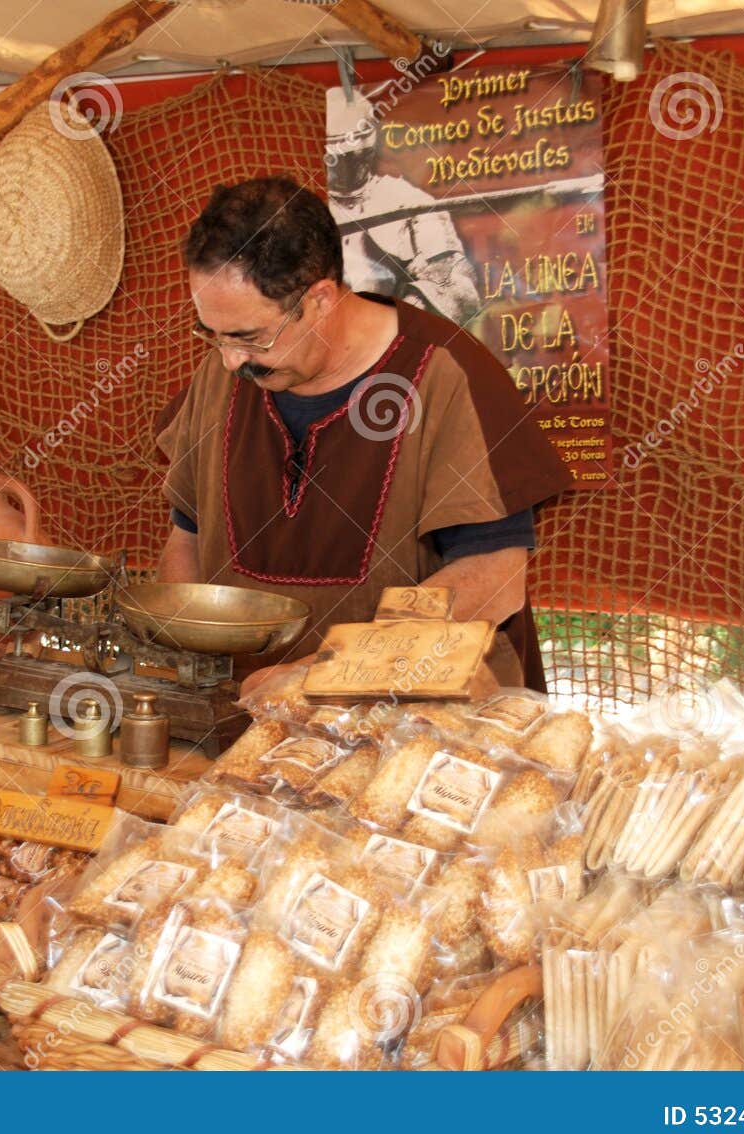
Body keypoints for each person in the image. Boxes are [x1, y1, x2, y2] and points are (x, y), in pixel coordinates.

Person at [155, 176, 573, 694]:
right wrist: (181, 661)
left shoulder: (446, 375)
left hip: (414, 727)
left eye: (250, 336)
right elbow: (187, 540)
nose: (229, 359)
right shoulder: (222, 377)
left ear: (322, 299)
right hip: (243, 716)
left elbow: (491, 581)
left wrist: (320, 677)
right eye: (210, 333)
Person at [326, 89, 483, 326]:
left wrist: (397, 325)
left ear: (369, 149)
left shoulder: (406, 201)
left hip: (394, 341)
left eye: (352, 156)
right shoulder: (304, 210)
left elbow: (456, 286)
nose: (345, 167)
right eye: (338, 158)